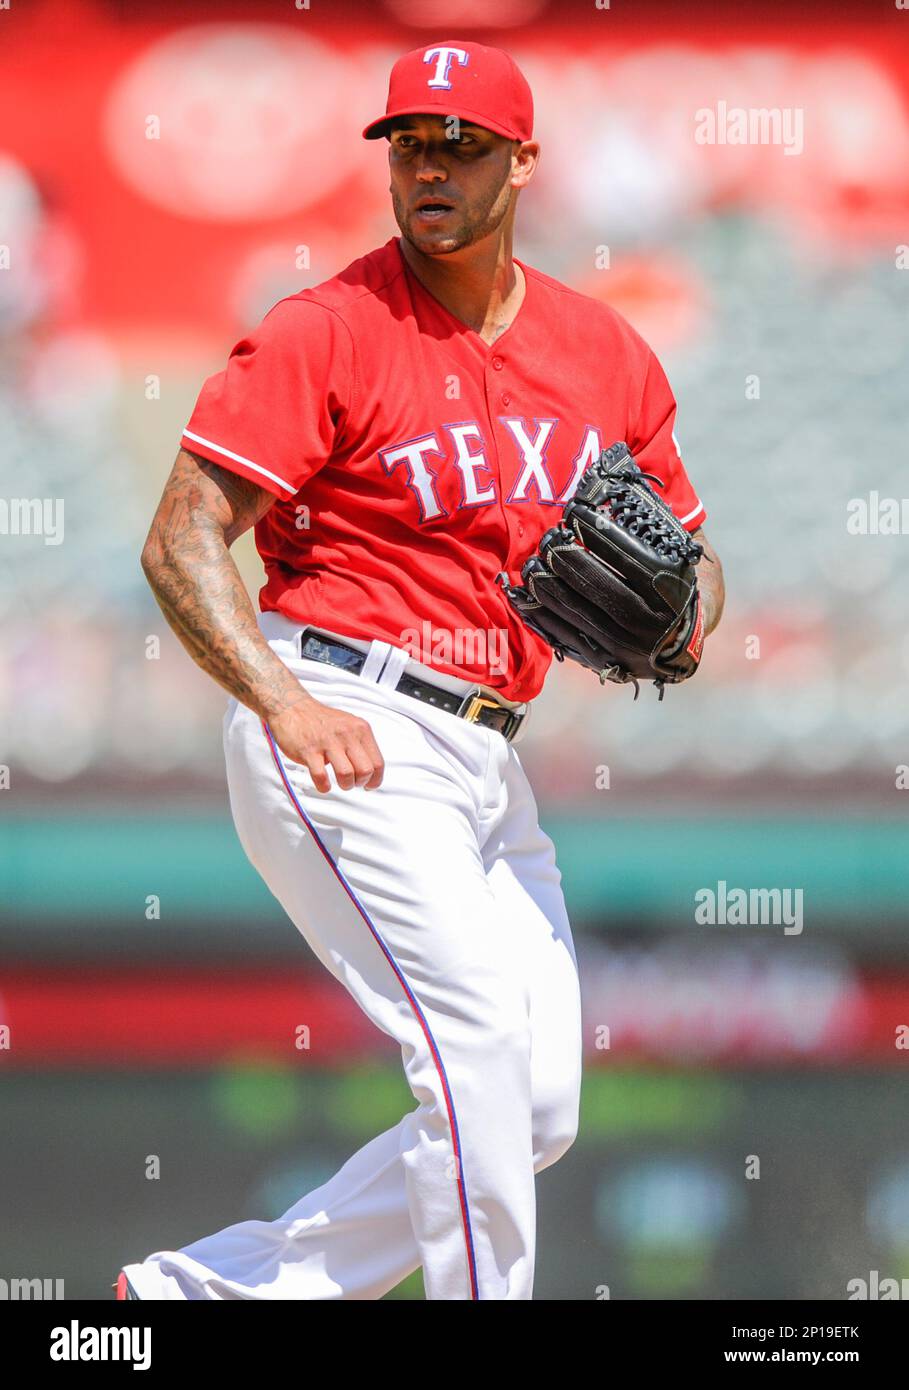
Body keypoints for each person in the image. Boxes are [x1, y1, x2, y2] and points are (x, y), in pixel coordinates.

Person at [119, 39, 725, 1302]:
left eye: (459, 144)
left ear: (522, 161)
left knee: (537, 1099)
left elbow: (699, 573)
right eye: (408, 143)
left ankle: (204, 1297)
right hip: (344, 709)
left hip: (486, 755)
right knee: (477, 1054)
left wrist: (682, 617)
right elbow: (180, 536)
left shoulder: (604, 353)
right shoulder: (328, 330)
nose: (430, 166)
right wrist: (281, 702)